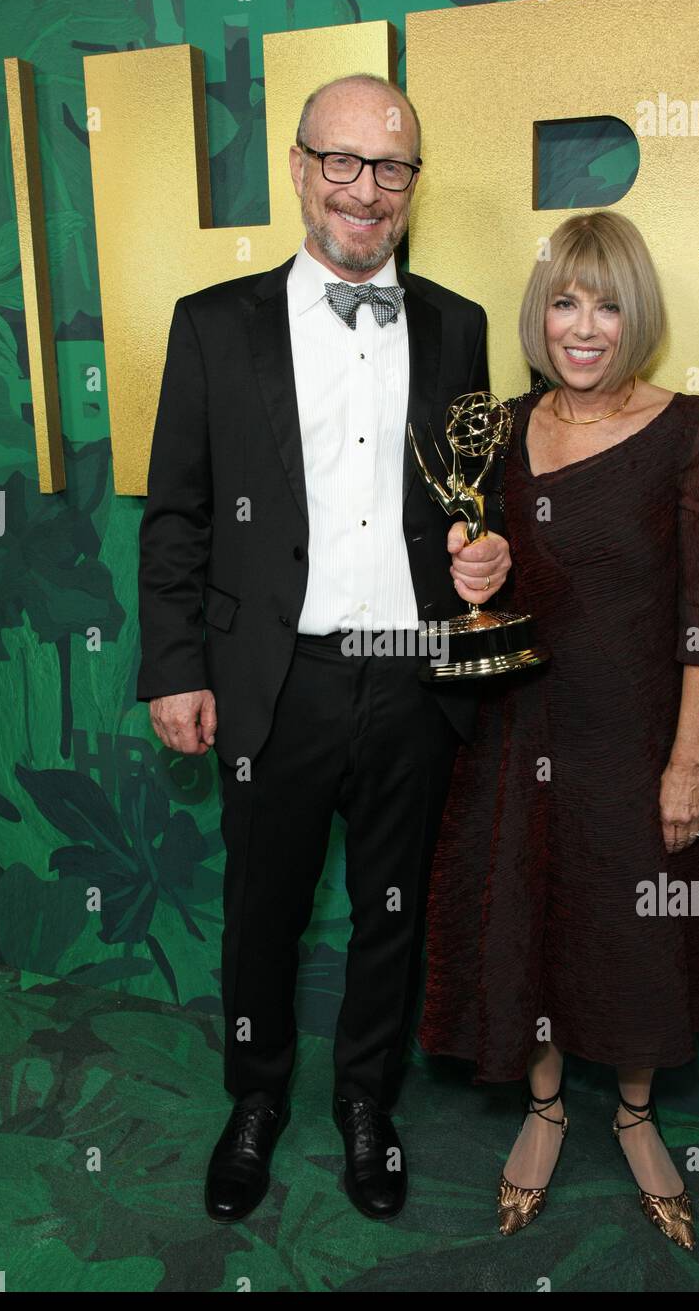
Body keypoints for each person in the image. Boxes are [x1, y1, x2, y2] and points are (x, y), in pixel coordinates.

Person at [136, 72, 512, 1224]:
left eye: (390, 167)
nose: (365, 188)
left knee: (391, 909)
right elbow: (178, 513)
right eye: (340, 161)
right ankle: (252, 1100)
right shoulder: (212, 323)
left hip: (410, 675)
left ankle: (366, 1105)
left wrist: (480, 559)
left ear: (411, 185)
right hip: (273, 678)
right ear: (299, 169)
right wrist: (175, 663)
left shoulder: (458, 324)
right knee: (264, 910)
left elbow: (467, 501)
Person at [420, 209, 699, 1251]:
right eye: (564, 301)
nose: (584, 326)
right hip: (522, 735)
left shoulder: (688, 429)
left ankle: (634, 1113)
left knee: (636, 934)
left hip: (638, 738)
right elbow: (487, 575)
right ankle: (546, 1106)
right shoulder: (496, 429)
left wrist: (685, 762)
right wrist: (475, 568)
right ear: (539, 314)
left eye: (605, 303)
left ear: (634, 311)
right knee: (535, 922)